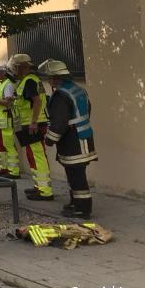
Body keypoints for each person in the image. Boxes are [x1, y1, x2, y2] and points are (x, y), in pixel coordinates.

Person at [40, 59, 98, 217]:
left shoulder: (60, 95)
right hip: (83, 136)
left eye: (50, 78)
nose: (49, 81)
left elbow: (59, 122)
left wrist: (50, 139)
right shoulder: (78, 89)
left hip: (72, 141)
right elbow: (87, 110)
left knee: (76, 175)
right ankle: (76, 203)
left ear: (55, 78)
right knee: (75, 173)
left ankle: (82, 209)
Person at [8, 52, 54, 201]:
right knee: (32, 155)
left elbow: (37, 102)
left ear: (22, 67)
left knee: (37, 156)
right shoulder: (28, 81)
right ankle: (39, 187)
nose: (14, 70)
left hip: (34, 124)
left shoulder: (29, 81)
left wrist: (33, 122)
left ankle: (45, 191)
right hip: (31, 123)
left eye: (15, 67)